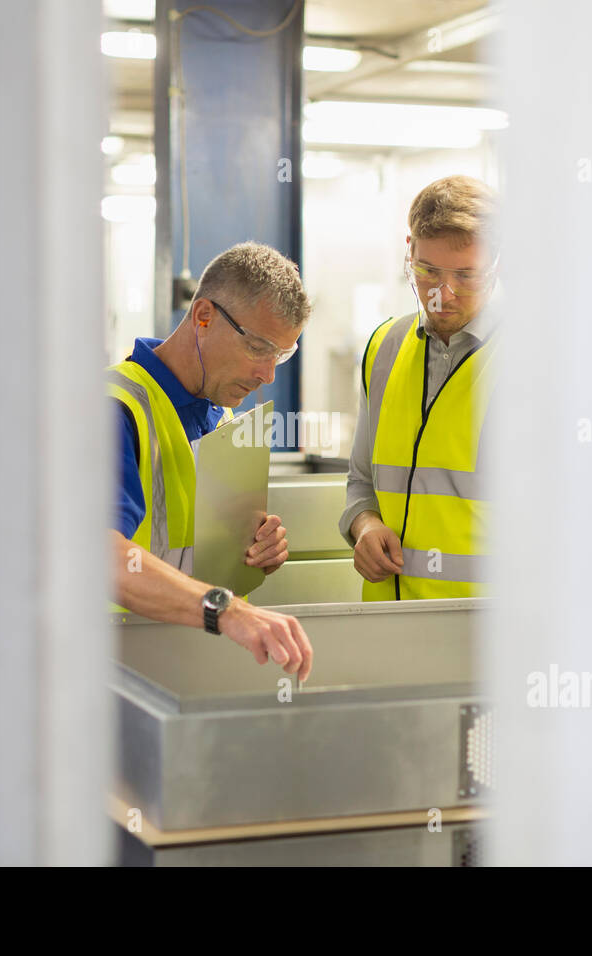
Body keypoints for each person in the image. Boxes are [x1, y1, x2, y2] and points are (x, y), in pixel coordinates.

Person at [109, 241, 313, 681]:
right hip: (114, 667)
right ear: (203, 317)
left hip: (182, 662)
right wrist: (227, 610)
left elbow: (191, 549)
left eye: (281, 355)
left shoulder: (222, 416)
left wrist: (257, 547)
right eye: (258, 348)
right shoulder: (116, 409)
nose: (268, 375)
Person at [339, 175, 499, 601]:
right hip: (388, 624)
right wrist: (366, 525)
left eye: (467, 275)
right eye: (428, 271)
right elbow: (362, 481)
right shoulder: (385, 348)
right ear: (408, 250)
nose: (443, 294)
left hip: (482, 637)